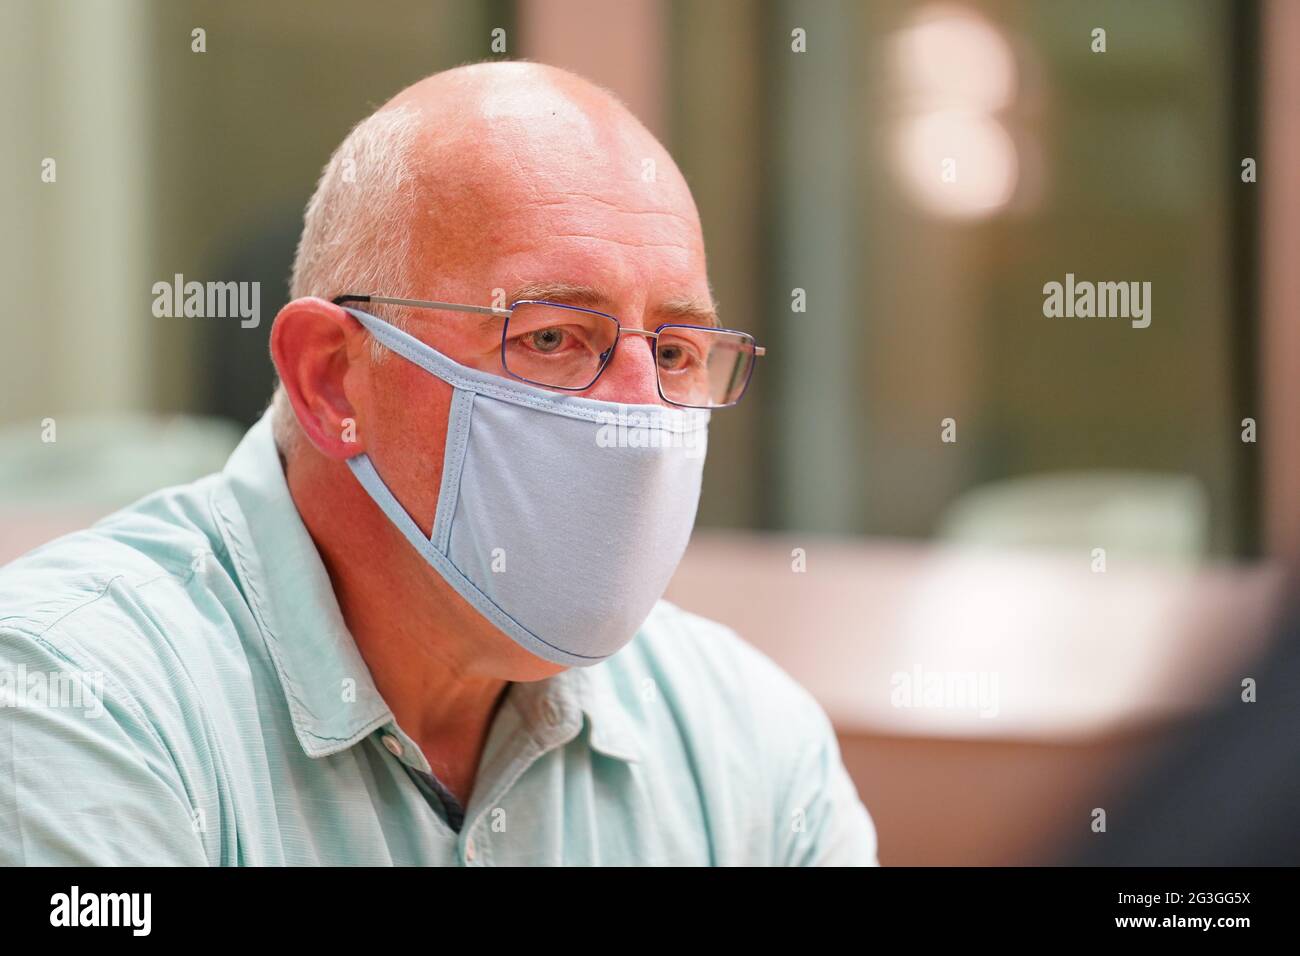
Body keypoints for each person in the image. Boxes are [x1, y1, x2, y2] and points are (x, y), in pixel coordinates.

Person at [0, 61, 877, 866]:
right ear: (331, 377)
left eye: (678, 352)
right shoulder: (74, 700)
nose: (641, 410)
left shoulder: (748, 749)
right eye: (551, 337)